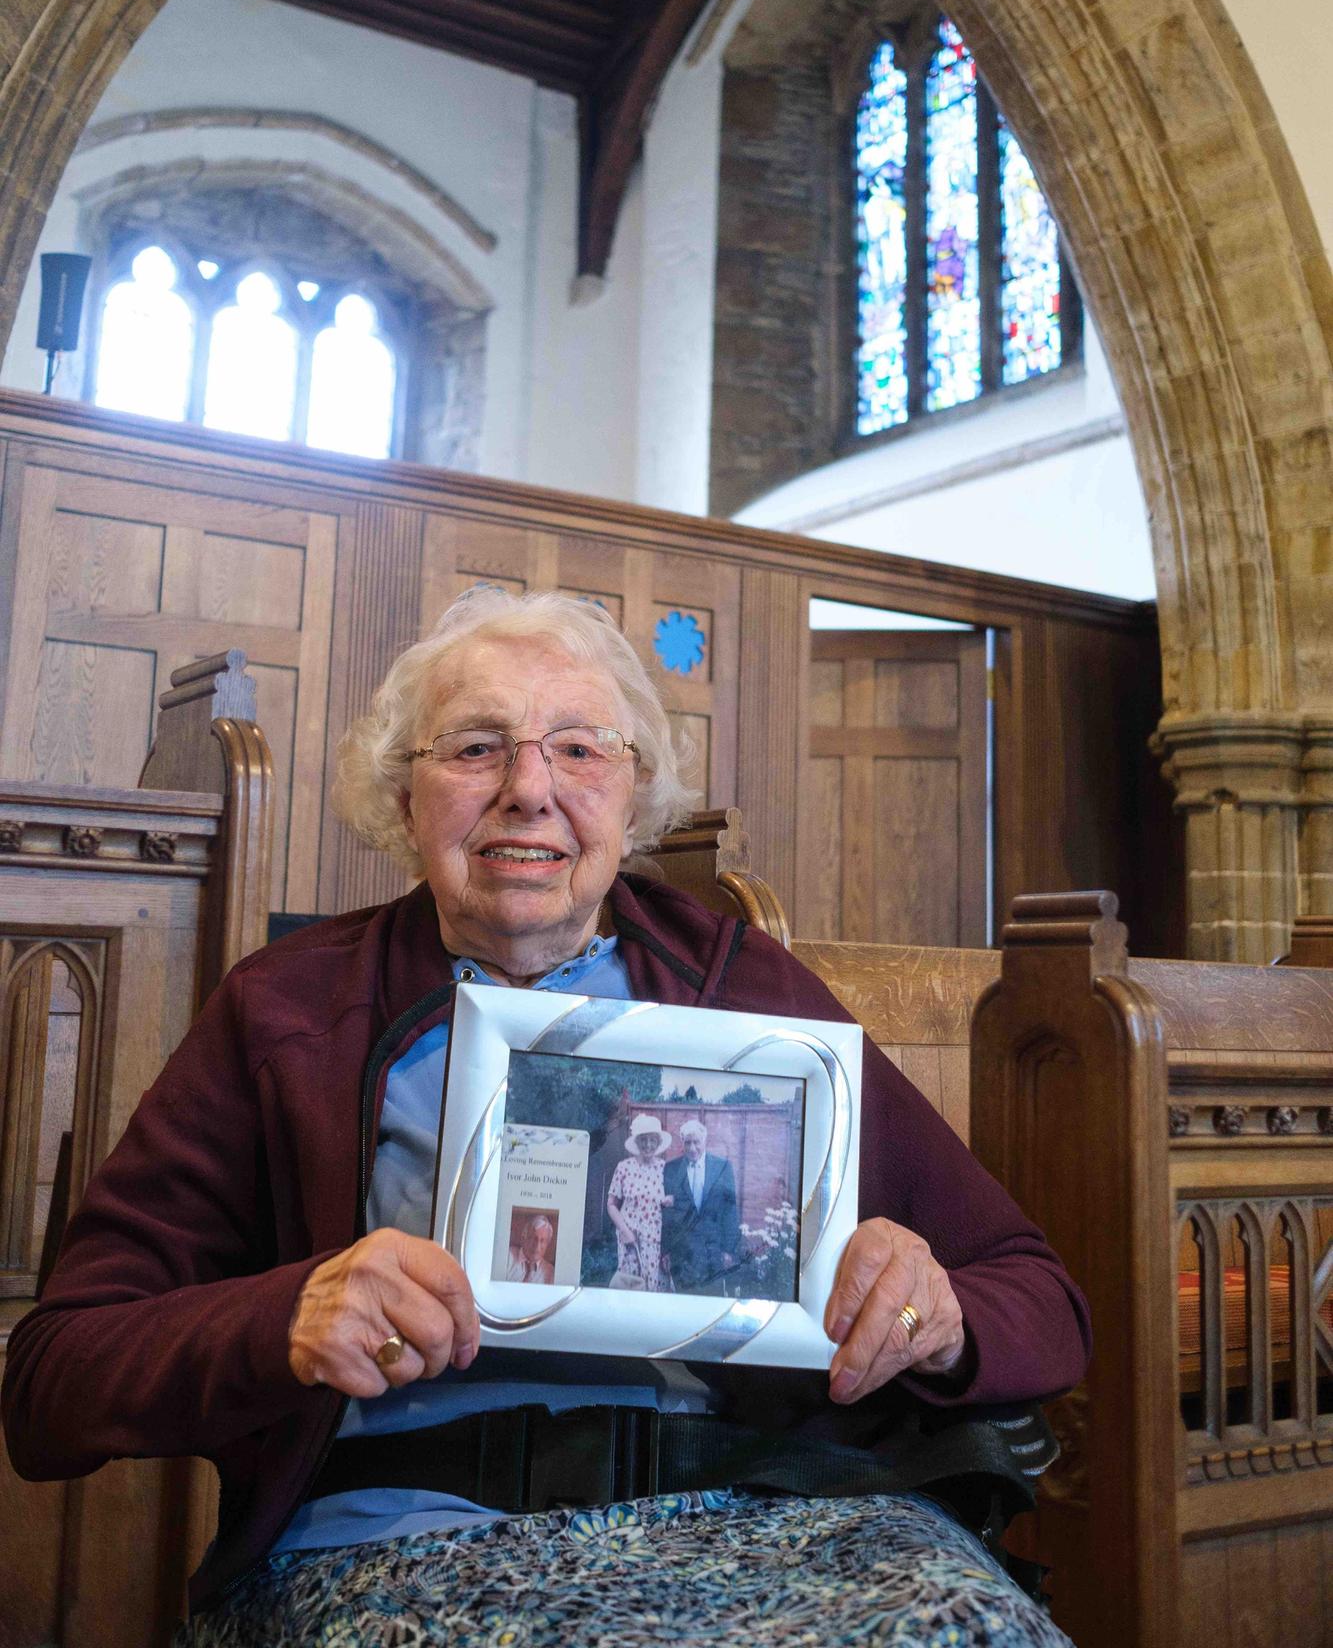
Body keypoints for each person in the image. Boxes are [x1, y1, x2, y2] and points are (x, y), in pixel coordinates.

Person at [2, 588, 1090, 1648]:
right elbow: (54, 1377)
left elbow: (1038, 1293)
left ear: (632, 795)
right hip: (402, 1539)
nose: (529, 788)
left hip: (779, 1509)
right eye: (475, 747)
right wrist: (287, 1312)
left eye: (578, 749)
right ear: (403, 797)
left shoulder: (743, 990)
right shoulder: (290, 1009)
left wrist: (932, 1312)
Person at [662, 1117, 742, 1293]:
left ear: (705, 1141)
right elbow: (667, 1215)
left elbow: (730, 1211)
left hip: (712, 1252)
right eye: (687, 1142)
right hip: (682, 1254)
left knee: (711, 1304)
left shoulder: (722, 1167)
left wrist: (729, 1250)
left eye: (696, 1142)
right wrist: (666, 1250)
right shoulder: (671, 1169)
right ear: (682, 1143)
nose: (692, 1148)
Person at [607, 1113, 674, 1290]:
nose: (648, 1145)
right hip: (630, 1238)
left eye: (652, 1140)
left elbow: (674, 1206)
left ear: (658, 1143)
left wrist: (671, 1200)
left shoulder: (665, 1169)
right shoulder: (624, 1167)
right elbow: (611, 1204)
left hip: (656, 1240)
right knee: (630, 1286)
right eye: (643, 1140)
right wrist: (624, 1230)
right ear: (636, 1142)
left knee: (653, 1287)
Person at [506, 1213, 556, 1286]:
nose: (537, 1246)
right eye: (534, 1239)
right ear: (524, 1237)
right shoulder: (507, 1256)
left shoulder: (550, 1272)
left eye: (542, 1241)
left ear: (547, 1244)